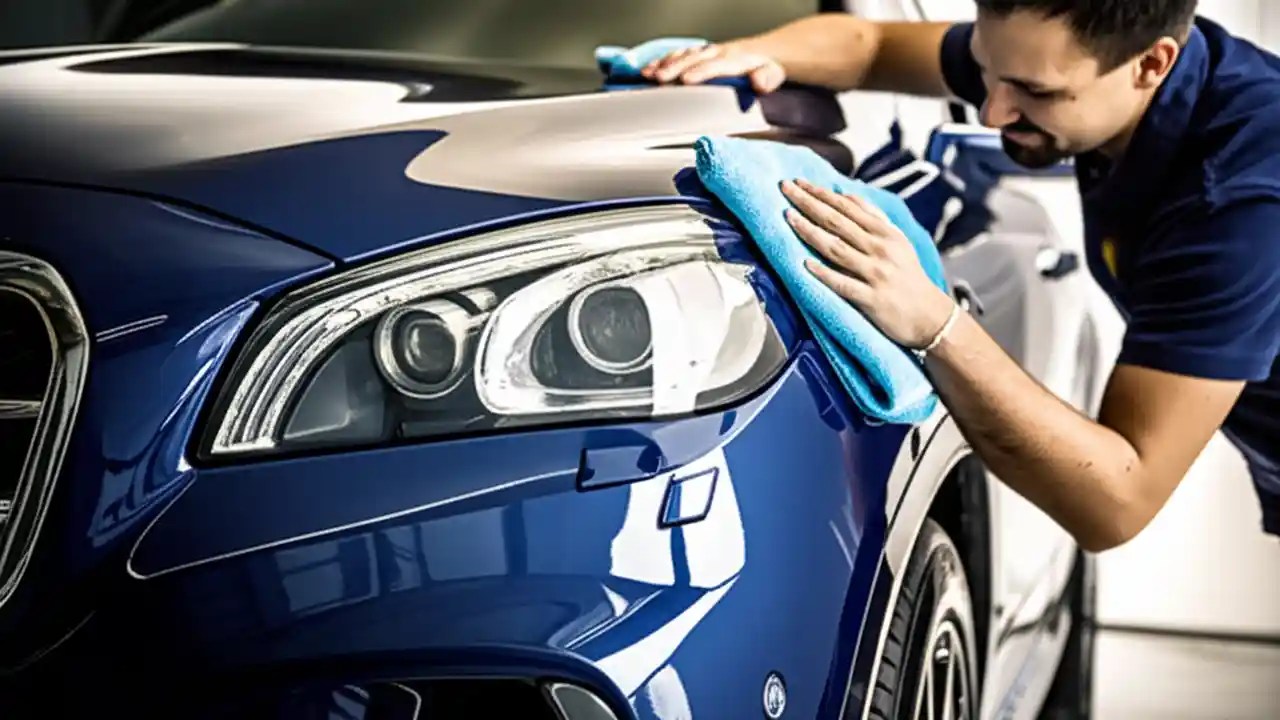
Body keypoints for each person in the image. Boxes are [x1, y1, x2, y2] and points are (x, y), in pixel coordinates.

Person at [642, 0, 1280, 552]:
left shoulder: (1238, 204)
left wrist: (936, 324)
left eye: (1035, 92)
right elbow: (870, 45)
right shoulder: (1075, 57)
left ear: (1152, 64)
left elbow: (1118, 499)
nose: (993, 113)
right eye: (984, 70)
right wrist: (750, 55)